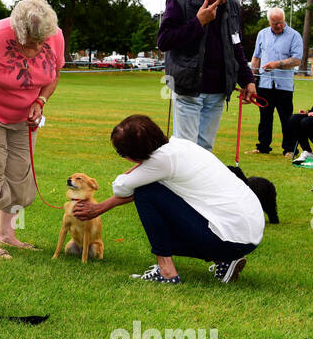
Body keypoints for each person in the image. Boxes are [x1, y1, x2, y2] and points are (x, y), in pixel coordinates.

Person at [71, 114, 262, 283]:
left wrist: (136, 171)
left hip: (232, 238)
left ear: (135, 154)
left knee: (146, 193)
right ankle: (225, 260)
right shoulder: (181, 144)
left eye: (122, 154)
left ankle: (167, 272)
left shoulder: (161, 162)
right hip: (249, 233)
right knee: (155, 191)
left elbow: (120, 187)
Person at [0, 0, 65, 259]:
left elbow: (54, 76)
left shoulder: (55, 37)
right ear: (18, 32)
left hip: (25, 117)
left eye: (41, 43)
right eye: (31, 44)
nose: (36, 50)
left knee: (20, 176)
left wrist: (40, 101)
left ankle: (8, 234)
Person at [157, 0, 257, 150]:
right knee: (185, 149)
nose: (222, 1)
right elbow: (164, 41)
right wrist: (198, 22)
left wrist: (247, 80)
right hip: (188, 88)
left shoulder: (231, 6)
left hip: (218, 90)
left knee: (205, 150)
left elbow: (236, 45)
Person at [250, 7, 304, 155]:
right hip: (264, 83)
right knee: (264, 117)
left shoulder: (294, 36)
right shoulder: (262, 34)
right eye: (275, 23)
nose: (278, 26)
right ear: (269, 21)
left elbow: (297, 59)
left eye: (280, 22)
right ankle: (263, 147)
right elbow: (256, 57)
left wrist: (277, 64)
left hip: (283, 85)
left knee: (286, 118)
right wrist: (252, 77)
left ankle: (289, 149)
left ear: (284, 19)